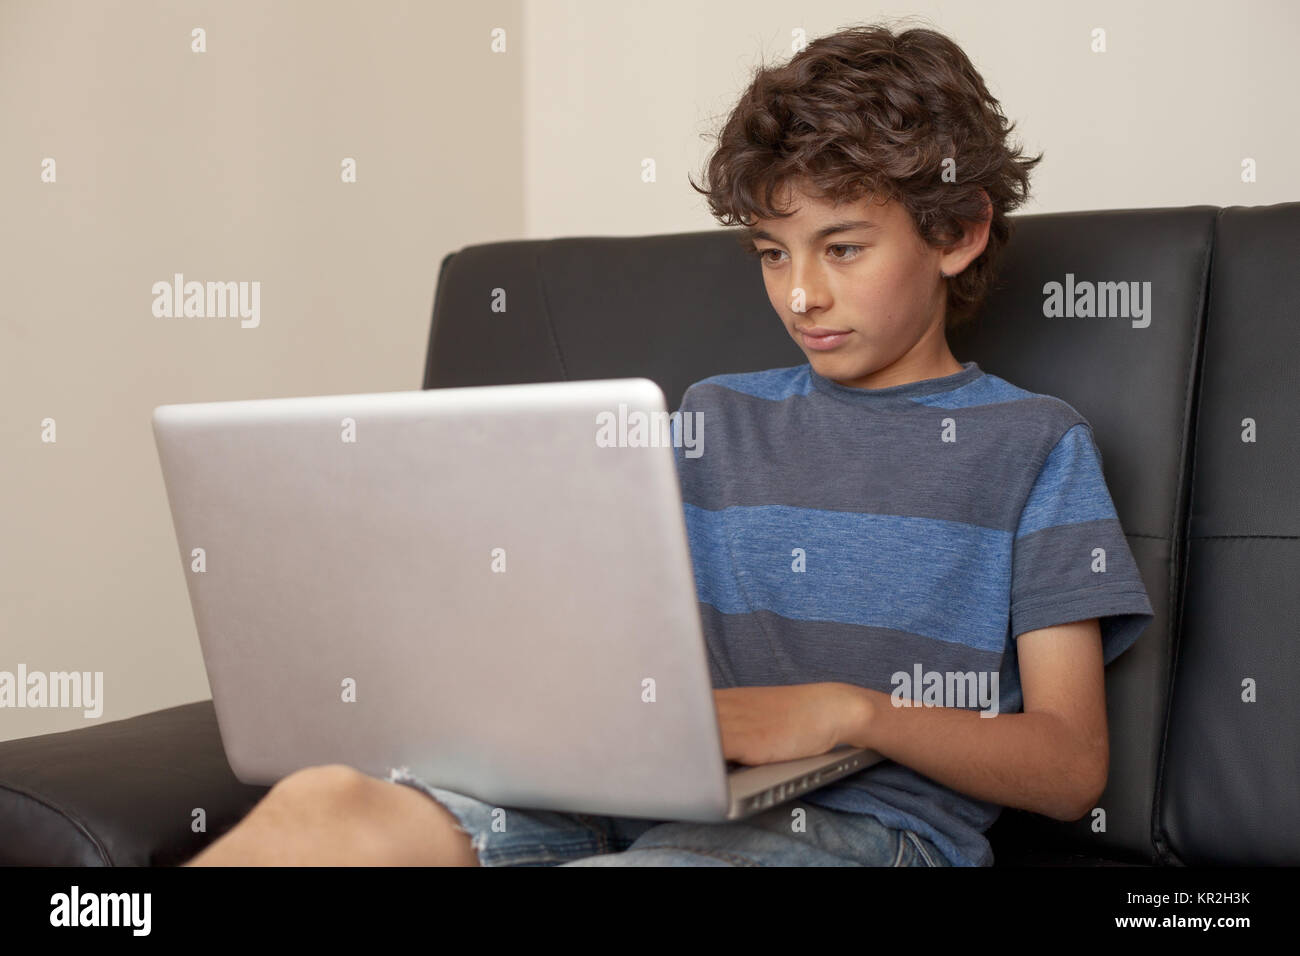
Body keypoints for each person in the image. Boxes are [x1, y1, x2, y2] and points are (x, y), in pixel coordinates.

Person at [186, 20, 1153, 867]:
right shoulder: (712, 417)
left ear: (957, 232)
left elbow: (1070, 768)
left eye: (842, 247)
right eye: (773, 254)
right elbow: (602, 636)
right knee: (329, 806)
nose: (800, 294)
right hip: (635, 801)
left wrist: (849, 712)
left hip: (865, 833)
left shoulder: (1034, 446)